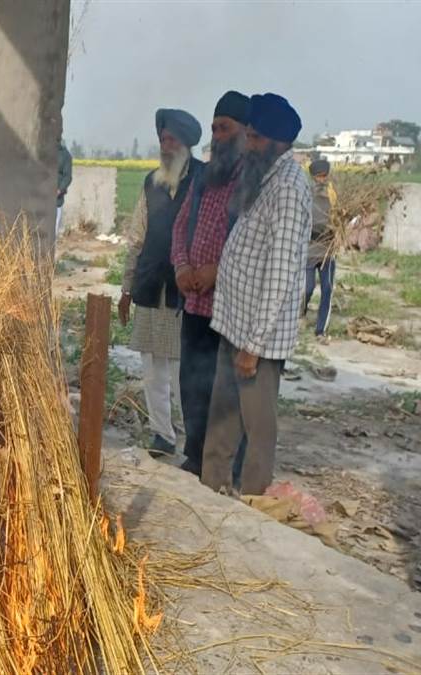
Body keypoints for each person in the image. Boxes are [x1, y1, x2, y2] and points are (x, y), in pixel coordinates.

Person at [202, 93, 311, 496]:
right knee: (222, 420)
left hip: (257, 342)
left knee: (257, 429)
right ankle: (209, 493)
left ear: (279, 143)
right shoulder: (262, 176)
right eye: (249, 136)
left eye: (256, 138)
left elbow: (281, 274)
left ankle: (254, 509)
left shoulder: (289, 188)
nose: (249, 144)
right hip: (236, 326)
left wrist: (253, 345)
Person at [170, 91, 249, 477]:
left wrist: (217, 271)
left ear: (245, 132)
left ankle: (227, 468)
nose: (217, 135)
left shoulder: (252, 180)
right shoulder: (204, 177)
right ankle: (195, 454)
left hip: (230, 308)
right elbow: (181, 225)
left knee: (226, 391)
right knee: (192, 382)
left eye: (225, 128)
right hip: (195, 303)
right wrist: (183, 269)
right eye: (215, 127)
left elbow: (251, 243)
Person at [119, 109, 204, 458]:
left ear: (186, 144)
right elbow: (137, 237)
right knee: (153, 370)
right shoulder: (151, 182)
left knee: (185, 372)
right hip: (151, 286)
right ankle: (163, 437)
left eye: (172, 140)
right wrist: (125, 289)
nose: (165, 146)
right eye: (162, 139)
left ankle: (196, 444)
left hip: (190, 292)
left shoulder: (204, 180)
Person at [304, 158, 338, 338]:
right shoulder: (306, 193)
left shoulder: (334, 194)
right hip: (309, 249)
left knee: (327, 288)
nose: (322, 180)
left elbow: (340, 217)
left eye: (325, 176)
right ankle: (301, 312)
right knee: (307, 288)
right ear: (313, 177)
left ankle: (320, 330)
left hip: (328, 250)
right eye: (319, 177)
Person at [56, 139, 73, 237]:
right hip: (40, 197)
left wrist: (59, 190)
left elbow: (67, 176)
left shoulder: (65, 155)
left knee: (53, 231)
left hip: (56, 200)